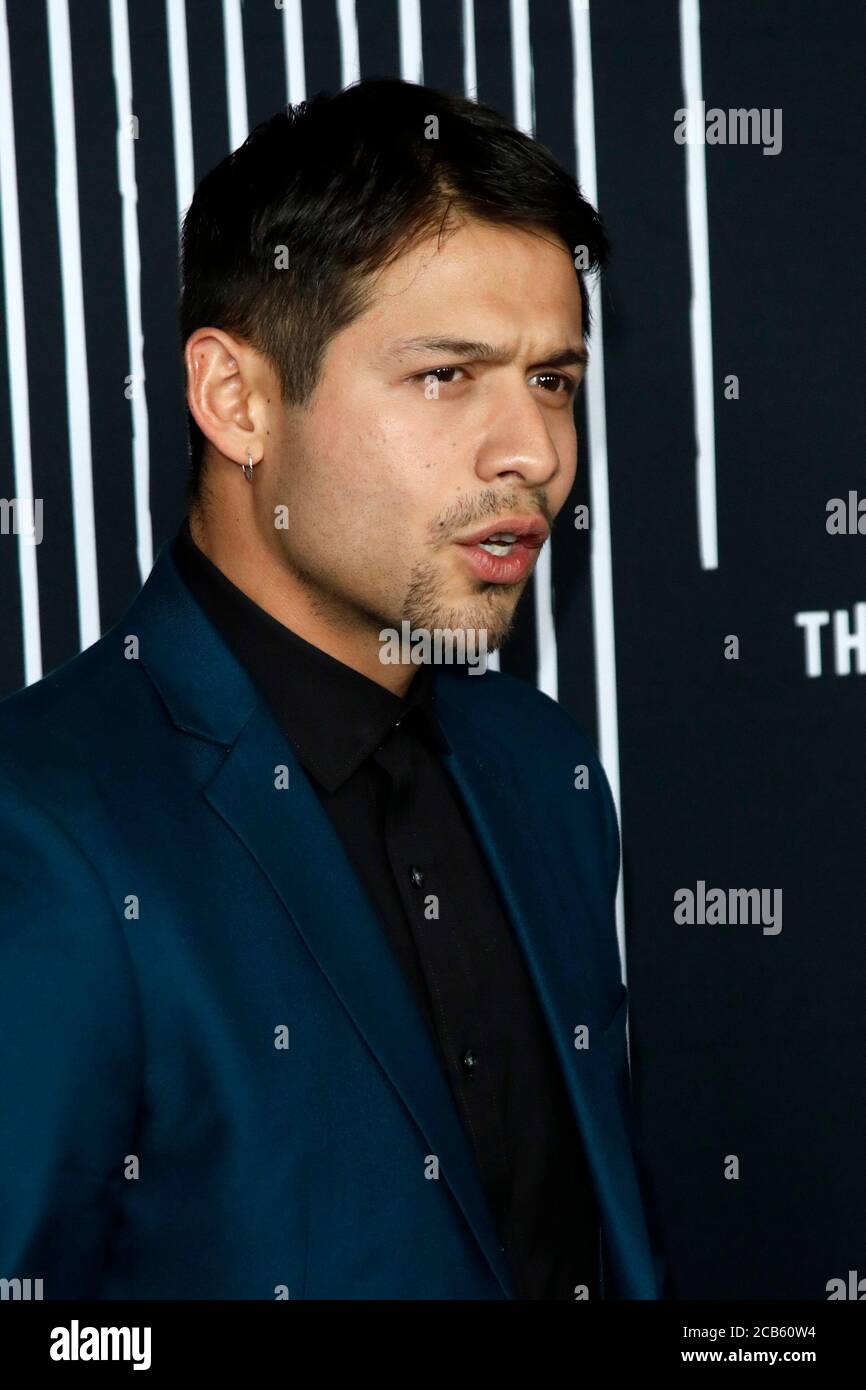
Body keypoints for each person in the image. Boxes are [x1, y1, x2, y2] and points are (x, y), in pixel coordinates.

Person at [0, 77, 665, 1300]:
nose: (533, 451)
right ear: (235, 400)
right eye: (446, 376)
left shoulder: (544, 774)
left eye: (553, 380)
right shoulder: (41, 832)